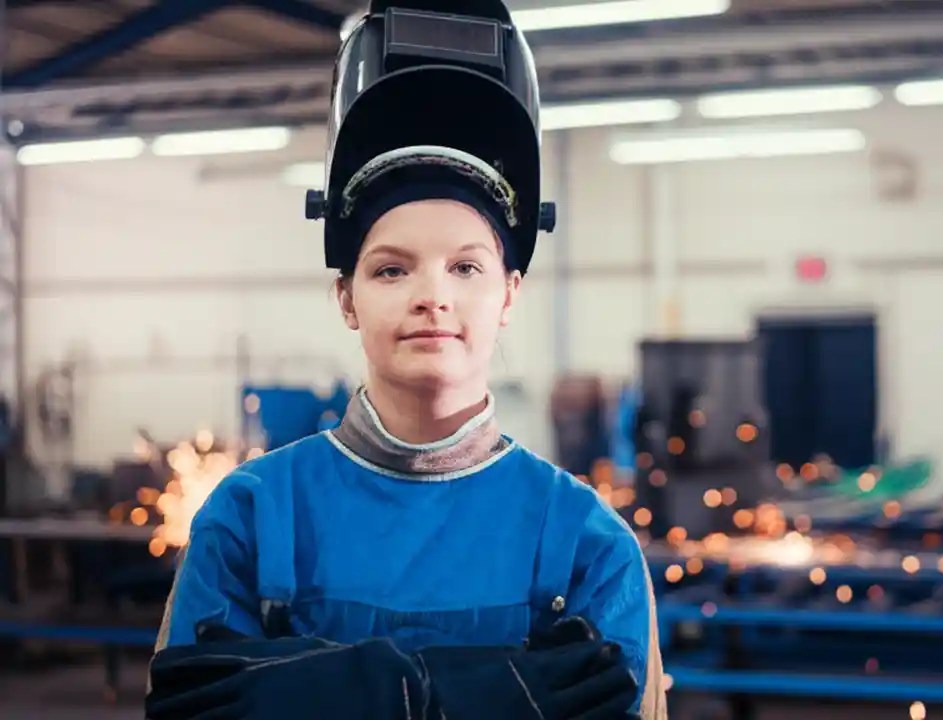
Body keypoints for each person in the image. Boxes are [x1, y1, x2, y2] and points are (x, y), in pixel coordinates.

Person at [145, 2, 667, 718]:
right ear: (347, 298)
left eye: (466, 268)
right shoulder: (250, 517)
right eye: (392, 270)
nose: (432, 297)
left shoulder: (584, 541)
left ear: (509, 294)